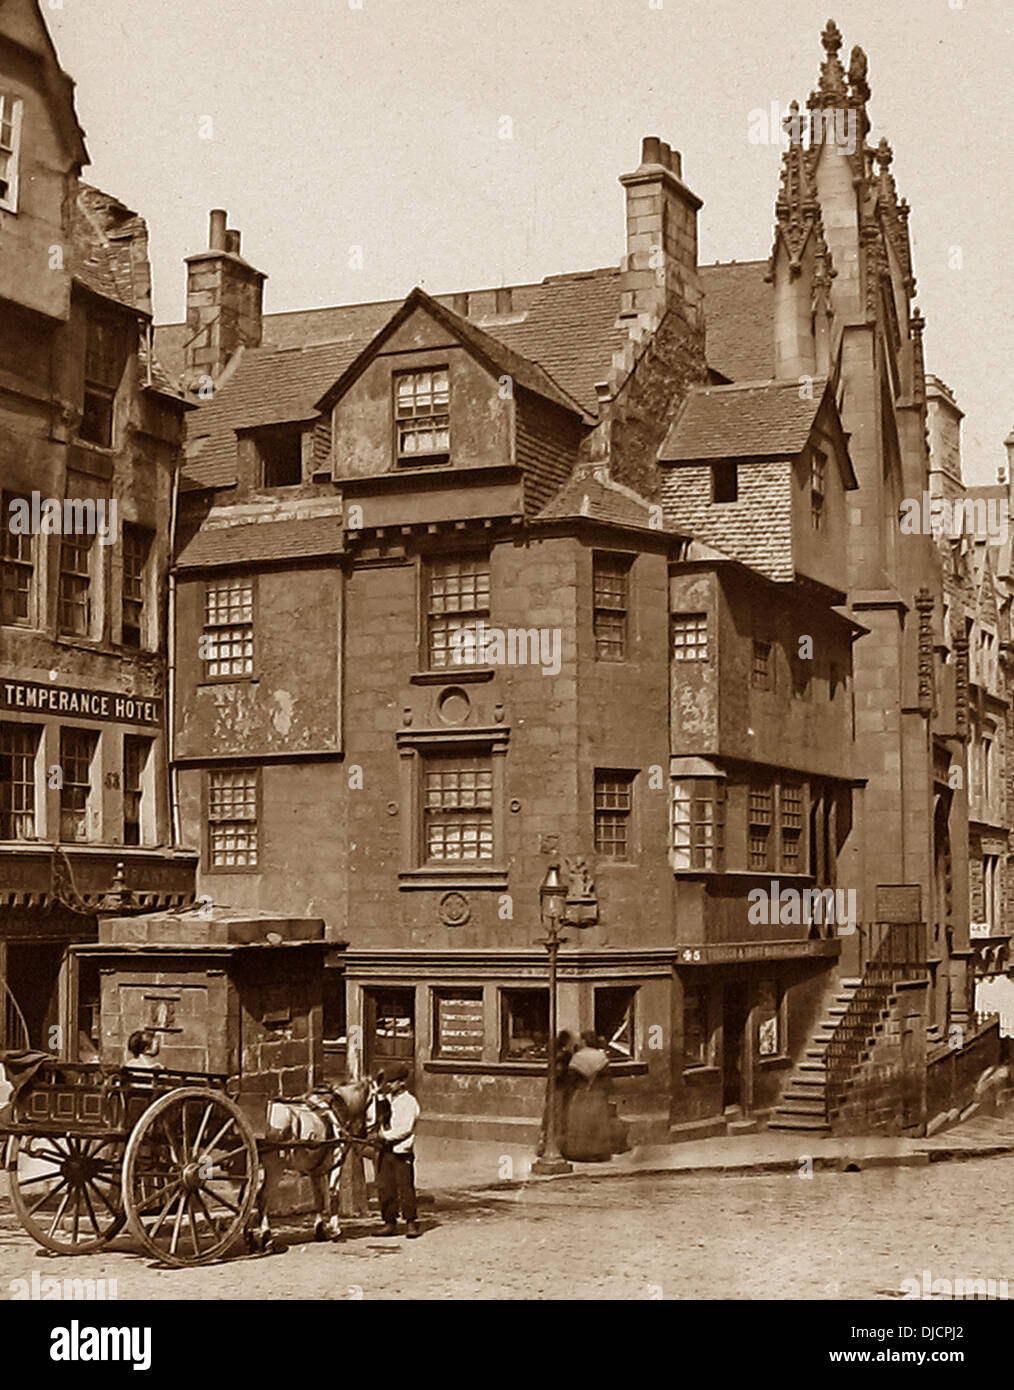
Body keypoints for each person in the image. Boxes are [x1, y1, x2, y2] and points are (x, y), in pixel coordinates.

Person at [374, 1062, 421, 1238]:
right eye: (388, 1082)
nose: (389, 1085)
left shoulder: (409, 1102)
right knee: (385, 1186)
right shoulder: (386, 1100)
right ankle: (389, 1221)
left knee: (405, 1187)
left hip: (401, 1150)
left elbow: (405, 1128)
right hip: (385, 1149)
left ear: (402, 1082)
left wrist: (385, 1136)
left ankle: (411, 1222)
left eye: (393, 1082)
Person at [562, 1031, 612, 1162]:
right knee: (597, 1124)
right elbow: (607, 1078)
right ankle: (597, 1152)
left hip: (581, 1093)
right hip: (597, 1093)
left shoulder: (577, 1057)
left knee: (579, 1124)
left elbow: (571, 1078)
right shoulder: (601, 1056)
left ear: (584, 1041)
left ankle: (579, 1152)